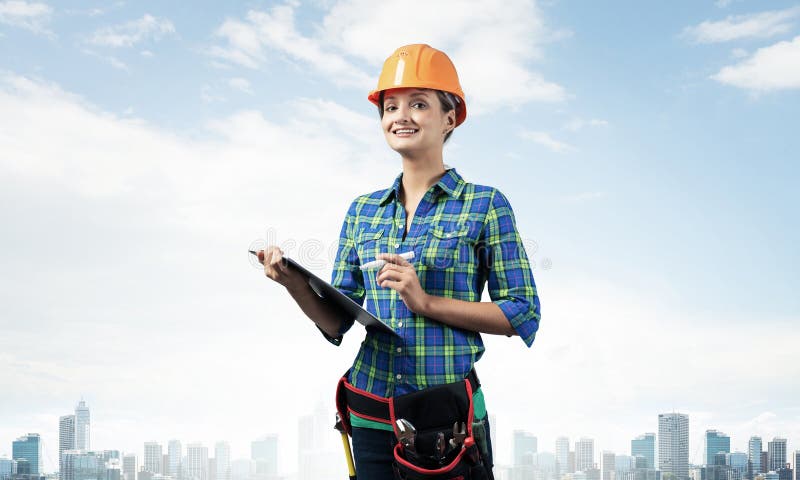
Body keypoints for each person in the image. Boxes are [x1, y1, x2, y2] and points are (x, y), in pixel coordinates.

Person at [257, 44, 540, 478]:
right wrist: (293, 282)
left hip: (443, 421)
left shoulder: (485, 205)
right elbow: (337, 322)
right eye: (390, 107)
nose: (400, 116)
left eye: (419, 104)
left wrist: (425, 302)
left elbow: (523, 312)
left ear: (450, 118)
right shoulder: (363, 211)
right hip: (369, 411)